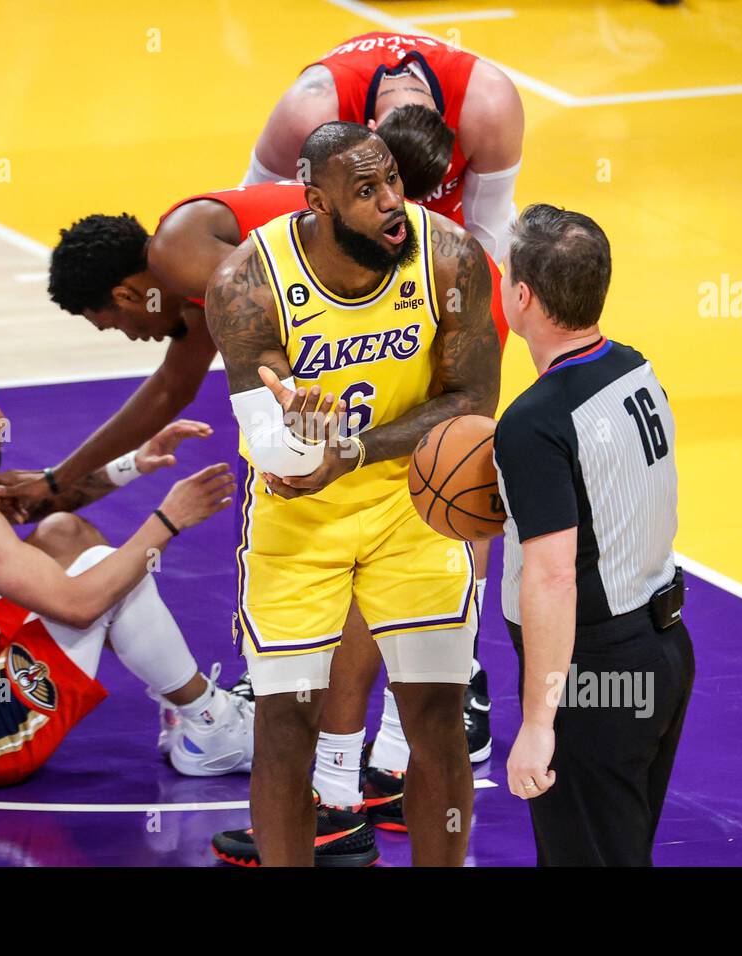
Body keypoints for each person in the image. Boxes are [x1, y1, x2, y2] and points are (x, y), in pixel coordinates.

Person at [203, 122, 501, 867]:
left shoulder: (450, 259)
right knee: (285, 725)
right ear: (316, 203)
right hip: (302, 518)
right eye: (365, 192)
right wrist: (304, 446)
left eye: (393, 182)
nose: (391, 202)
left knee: (435, 718)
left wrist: (357, 449)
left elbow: (473, 401)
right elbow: (268, 445)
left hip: (414, 504)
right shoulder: (247, 284)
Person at [0, 361, 252, 787]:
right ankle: (211, 724)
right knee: (104, 576)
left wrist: (136, 463)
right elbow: (81, 607)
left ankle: (182, 706)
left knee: (63, 532)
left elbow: (30, 504)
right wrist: (169, 519)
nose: (3, 421)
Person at [493, 205, 695, 865]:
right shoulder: (633, 367)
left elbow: (553, 578)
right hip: (663, 651)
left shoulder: (534, 422)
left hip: (594, 675)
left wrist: (537, 723)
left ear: (523, 296)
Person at [243, 31, 524, 261]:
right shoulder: (307, 113)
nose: (392, 202)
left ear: (451, 152)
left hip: (444, 229)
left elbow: (490, 228)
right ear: (370, 130)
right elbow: (253, 217)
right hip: (342, 235)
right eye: (371, 186)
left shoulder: (490, 107)